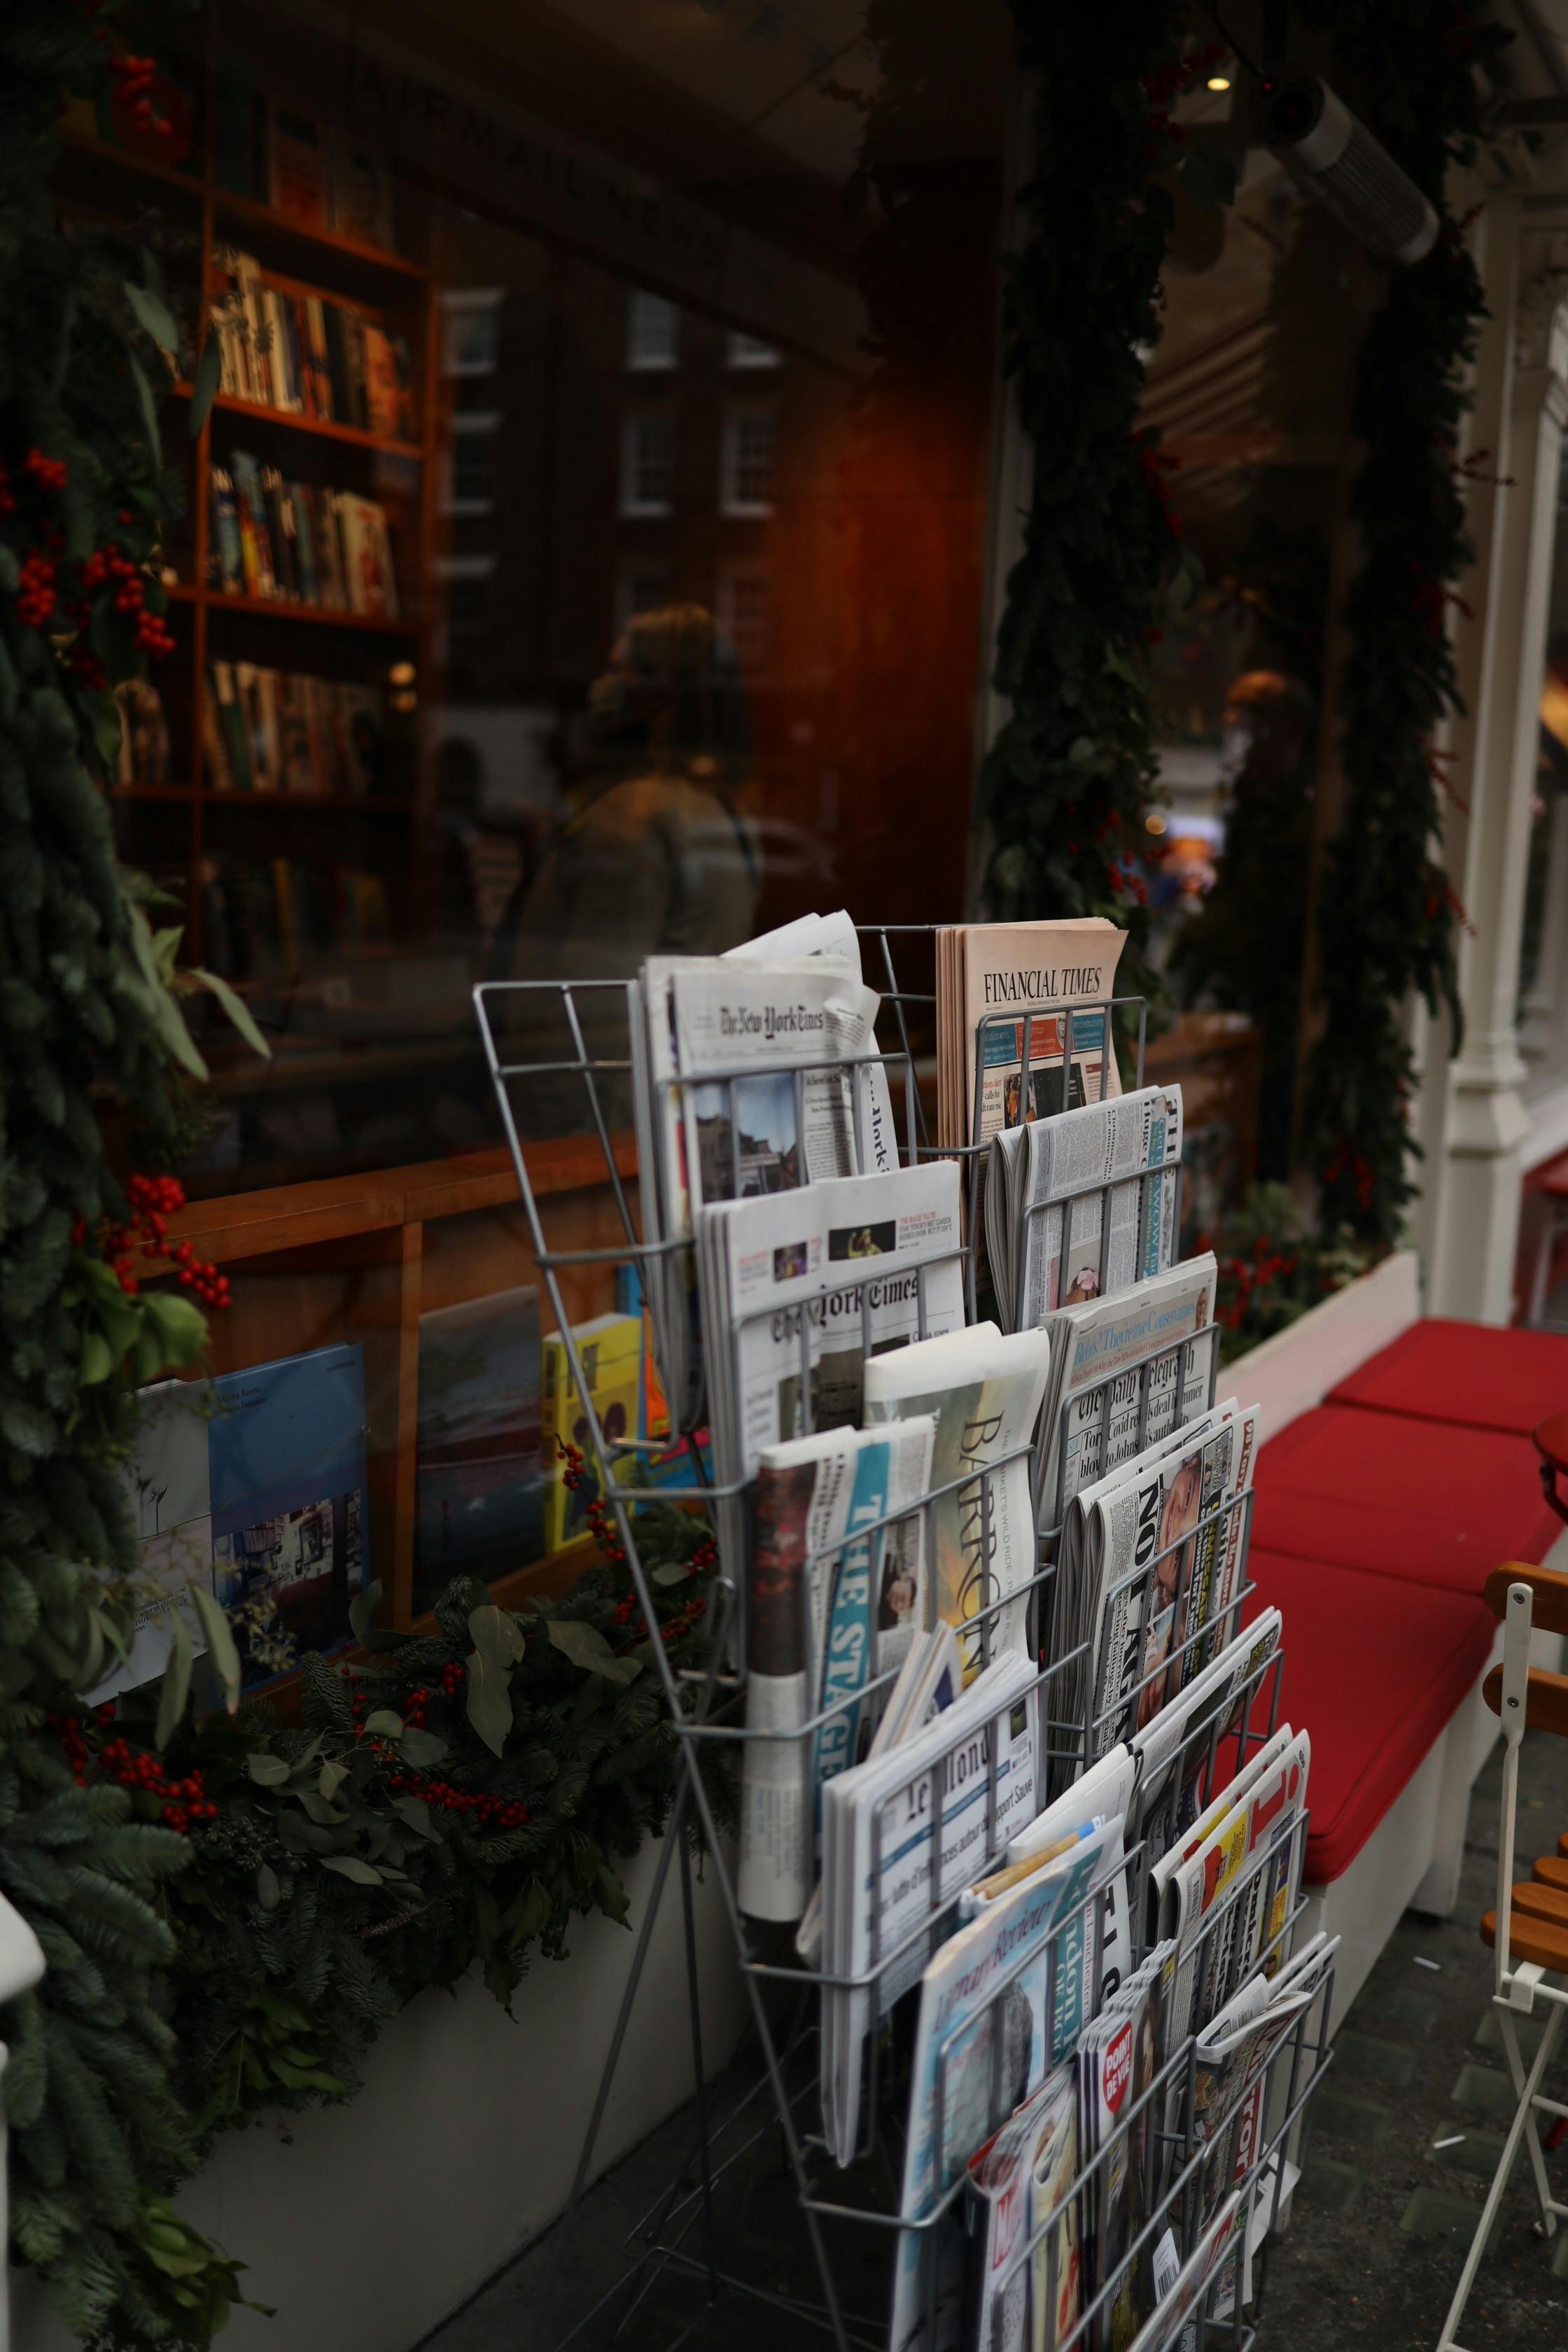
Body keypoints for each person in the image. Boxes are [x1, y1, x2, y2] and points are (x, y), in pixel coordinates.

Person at [506, 603, 760, 1133]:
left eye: (620, 671)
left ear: (660, 692)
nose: (603, 685)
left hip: (602, 1134)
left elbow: (586, 1010)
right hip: (674, 1116)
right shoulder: (725, 814)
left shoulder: (635, 816)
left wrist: (534, 1140)